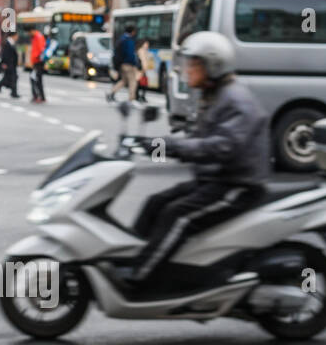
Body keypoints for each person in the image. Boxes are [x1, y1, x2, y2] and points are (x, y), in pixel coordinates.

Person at [125, 32, 269, 299]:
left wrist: (171, 147)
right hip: (214, 179)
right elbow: (195, 142)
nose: (187, 70)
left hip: (236, 185)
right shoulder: (213, 95)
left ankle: (141, 277)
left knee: (177, 216)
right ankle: (131, 260)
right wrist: (150, 145)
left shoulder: (235, 100)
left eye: (194, 65)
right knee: (155, 202)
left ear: (213, 66)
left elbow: (219, 147)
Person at [107, 23, 141, 103]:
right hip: (128, 64)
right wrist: (134, 64)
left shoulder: (122, 39)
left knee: (124, 81)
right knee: (133, 81)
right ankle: (132, 98)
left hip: (121, 64)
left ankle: (111, 93)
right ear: (132, 31)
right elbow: (130, 54)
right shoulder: (129, 40)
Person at [0, 31, 19, 99]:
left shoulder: (11, 42)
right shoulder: (7, 43)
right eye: (16, 35)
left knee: (12, 78)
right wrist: (4, 63)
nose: (17, 37)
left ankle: (13, 92)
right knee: (8, 79)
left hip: (11, 65)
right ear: (13, 36)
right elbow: (4, 54)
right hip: (9, 65)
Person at [27, 27, 47, 104]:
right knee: (36, 79)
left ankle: (39, 96)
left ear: (32, 30)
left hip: (38, 62)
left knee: (36, 80)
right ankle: (39, 96)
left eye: (29, 33)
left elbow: (41, 49)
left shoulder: (38, 37)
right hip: (36, 62)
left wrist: (37, 59)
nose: (28, 34)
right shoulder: (35, 37)